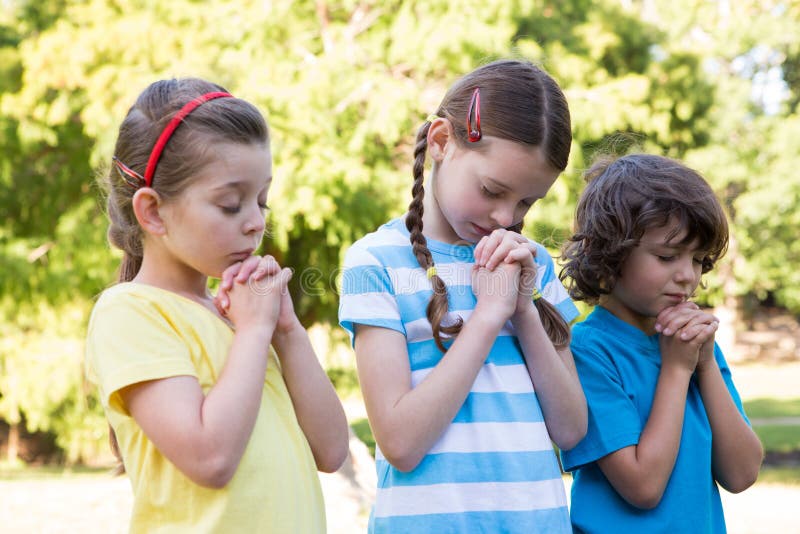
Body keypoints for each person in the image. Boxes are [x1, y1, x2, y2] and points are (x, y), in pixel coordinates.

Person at [84, 78, 349, 533]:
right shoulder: (129, 313)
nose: (256, 224)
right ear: (152, 212)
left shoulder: (239, 317)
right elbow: (211, 458)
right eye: (230, 205)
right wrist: (252, 333)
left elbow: (331, 450)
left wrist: (286, 332)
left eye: (262, 200)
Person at [338, 59, 588, 533]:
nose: (504, 216)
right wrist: (489, 316)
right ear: (441, 142)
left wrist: (523, 309)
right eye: (492, 189)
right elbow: (401, 442)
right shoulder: (376, 262)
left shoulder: (532, 264)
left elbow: (571, 430)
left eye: (525, 203)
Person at [559, 154, 764, 533]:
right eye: (667, 256)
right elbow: (642, 486)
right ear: (609, 254)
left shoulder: (695, 347)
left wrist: (703, 365)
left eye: (700, 259)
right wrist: (676, 369)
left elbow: (741, 473)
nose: (688, 275)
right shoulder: (587, 352)